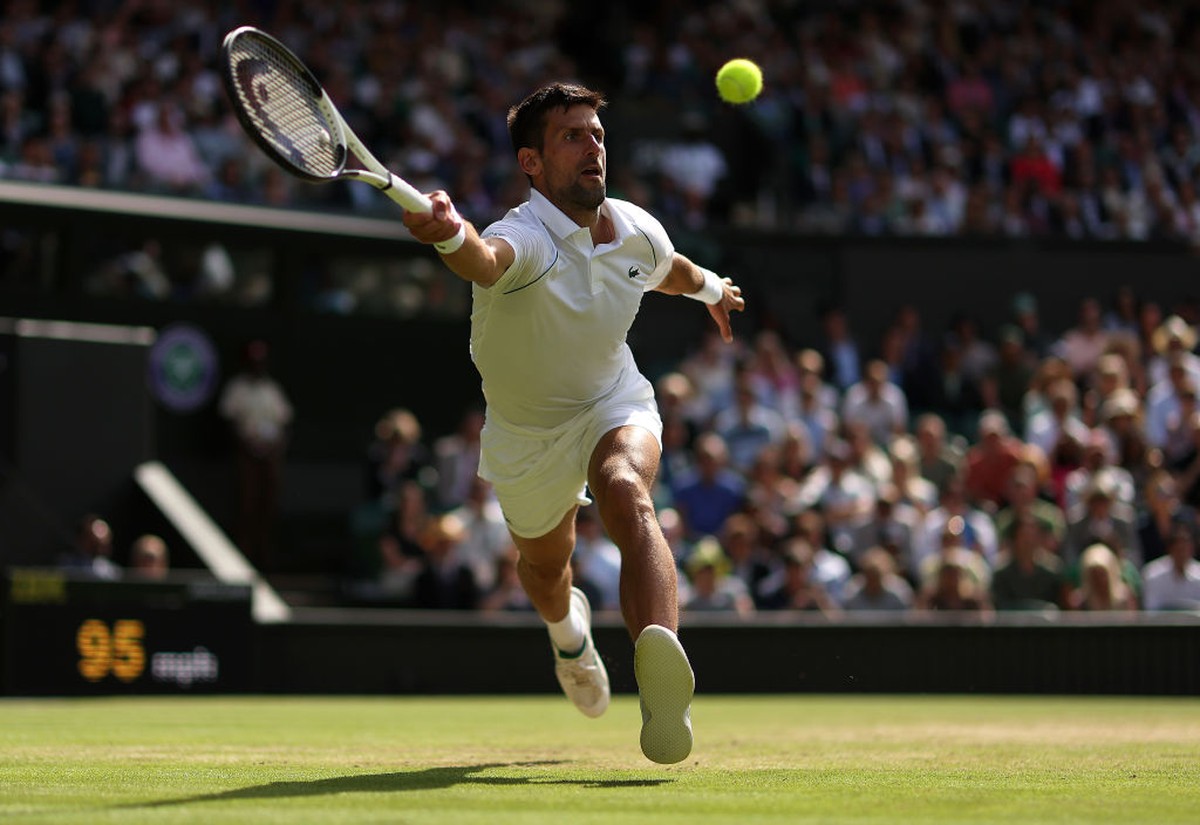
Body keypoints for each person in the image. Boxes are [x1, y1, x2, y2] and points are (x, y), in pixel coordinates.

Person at [401, 82, 745, 764]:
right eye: (571, 136)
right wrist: (448, 235)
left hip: (613, 399)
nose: (593, 147)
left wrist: (712, 288)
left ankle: (662, 683)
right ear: (531, 162)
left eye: (597, 135)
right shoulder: (522, 237)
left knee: (625, 488)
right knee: (544, 570)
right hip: (526, 435)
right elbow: (483, 261)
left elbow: (668, 270)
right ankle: (567, 634)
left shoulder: (637, 228)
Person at [218, 340, 293, 571]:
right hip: (246, 455)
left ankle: (265, 556)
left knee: (268, 506)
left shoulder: (272, 389)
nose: (257, 365)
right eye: (253, 361)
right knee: (246, 504)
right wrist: (248, 445)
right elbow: (229, 421)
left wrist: (273, 448)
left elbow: (284, 422)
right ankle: (243, 555)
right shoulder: (236, 389)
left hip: (269, 457)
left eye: (261, 361)